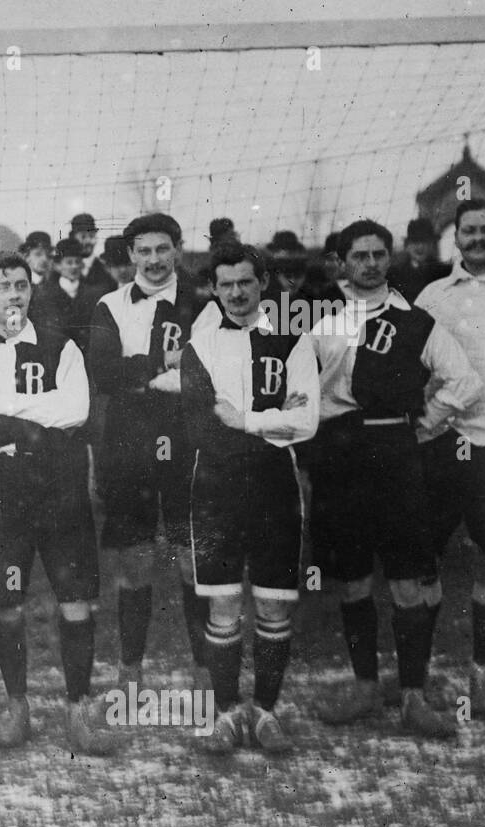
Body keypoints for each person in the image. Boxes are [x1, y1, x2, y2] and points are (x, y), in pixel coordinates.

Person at [309, 220, 480, 739]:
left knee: (408, 578)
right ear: (342, 263)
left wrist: (423, 426)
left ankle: (412, 696)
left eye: (379, 254)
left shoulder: (415, 321)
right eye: (359, 255)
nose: (370, 263)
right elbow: (301, 388)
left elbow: (463, 382)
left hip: (396, 454)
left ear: (391, 258)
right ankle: (364, 687)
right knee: (353, 577)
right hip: (339, 455)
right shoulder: (321, 321)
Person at [0, 253, 115, 756]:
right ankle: (17, 704)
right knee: (8, 601)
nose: (15, 294)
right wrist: (34, 424)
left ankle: (78, 706)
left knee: (74, 598)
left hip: (59, 488)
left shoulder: (61, 347)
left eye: (22, 285)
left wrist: (5, 406)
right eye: (3, 287)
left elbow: (77, 411)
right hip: (1, 493)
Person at [180, 242, 319, 754]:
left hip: (275, 486)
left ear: (262, 283)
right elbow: (197, 426)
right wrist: (271, 422)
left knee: (274, 604)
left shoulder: (292, 341)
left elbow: (306, 421)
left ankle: (265, 712)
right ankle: (225, 714)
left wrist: (245, 419)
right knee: (222, 604)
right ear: (213, 289)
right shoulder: (200, 346)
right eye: (226, 284)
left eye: (245, 281)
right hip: (215, 487)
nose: (236, 292)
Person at [89, 213, 208, 695]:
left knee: (190, 555)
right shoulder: (109, 304)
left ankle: (206, 670)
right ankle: (130, 671)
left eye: (163, 249)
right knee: (134, 559)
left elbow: (210, 371)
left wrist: (142, 372)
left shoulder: (204, 301)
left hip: (187, 432)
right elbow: (103, 373)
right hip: (129, 438)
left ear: (178, 250)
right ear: (131, 255)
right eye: (144, 251)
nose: (154, 260)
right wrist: (162, 366)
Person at [416, 198, 485, 718]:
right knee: (423, 557)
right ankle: (421, 672)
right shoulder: (433, 296)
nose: (478, 238)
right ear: (455, 236)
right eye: (469, 230)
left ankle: (484, 676)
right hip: (441, 442)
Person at [388, 218, 451, 304]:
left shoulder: (445, 273)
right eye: (415, 241)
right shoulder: (393, 274)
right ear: (407, 245)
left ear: (432, 245)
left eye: (425, 242)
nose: (420, 247)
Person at [69, 213, 118, 294]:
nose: (88, 241)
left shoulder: (106, 270)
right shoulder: (64, 268)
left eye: (91, 236)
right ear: (73, 238)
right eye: (83, 236)